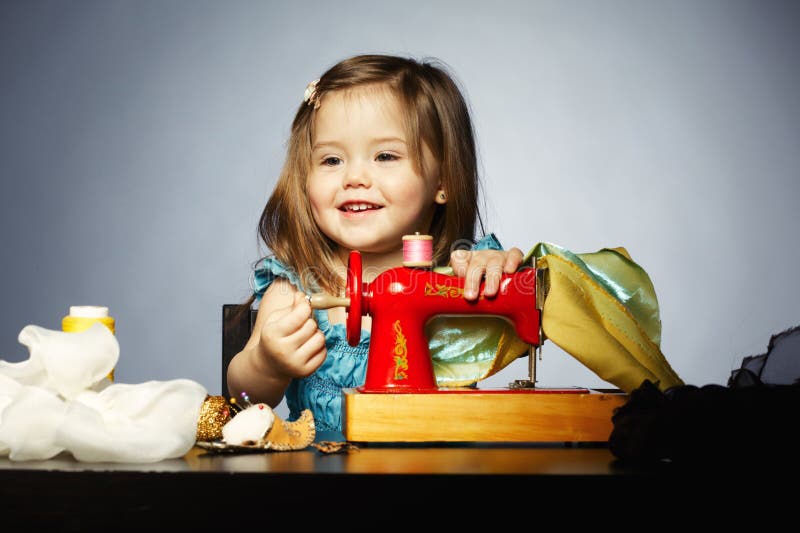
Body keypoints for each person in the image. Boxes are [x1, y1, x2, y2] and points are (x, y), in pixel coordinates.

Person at [227, 54, 523, 432]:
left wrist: (501, 271)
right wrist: (266, 364)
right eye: (331, 160)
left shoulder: (462, 274)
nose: (354, 177)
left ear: (443, 180)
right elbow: (243, 397)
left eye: (385, 156)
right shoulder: (300, 287)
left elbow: (530, 300)